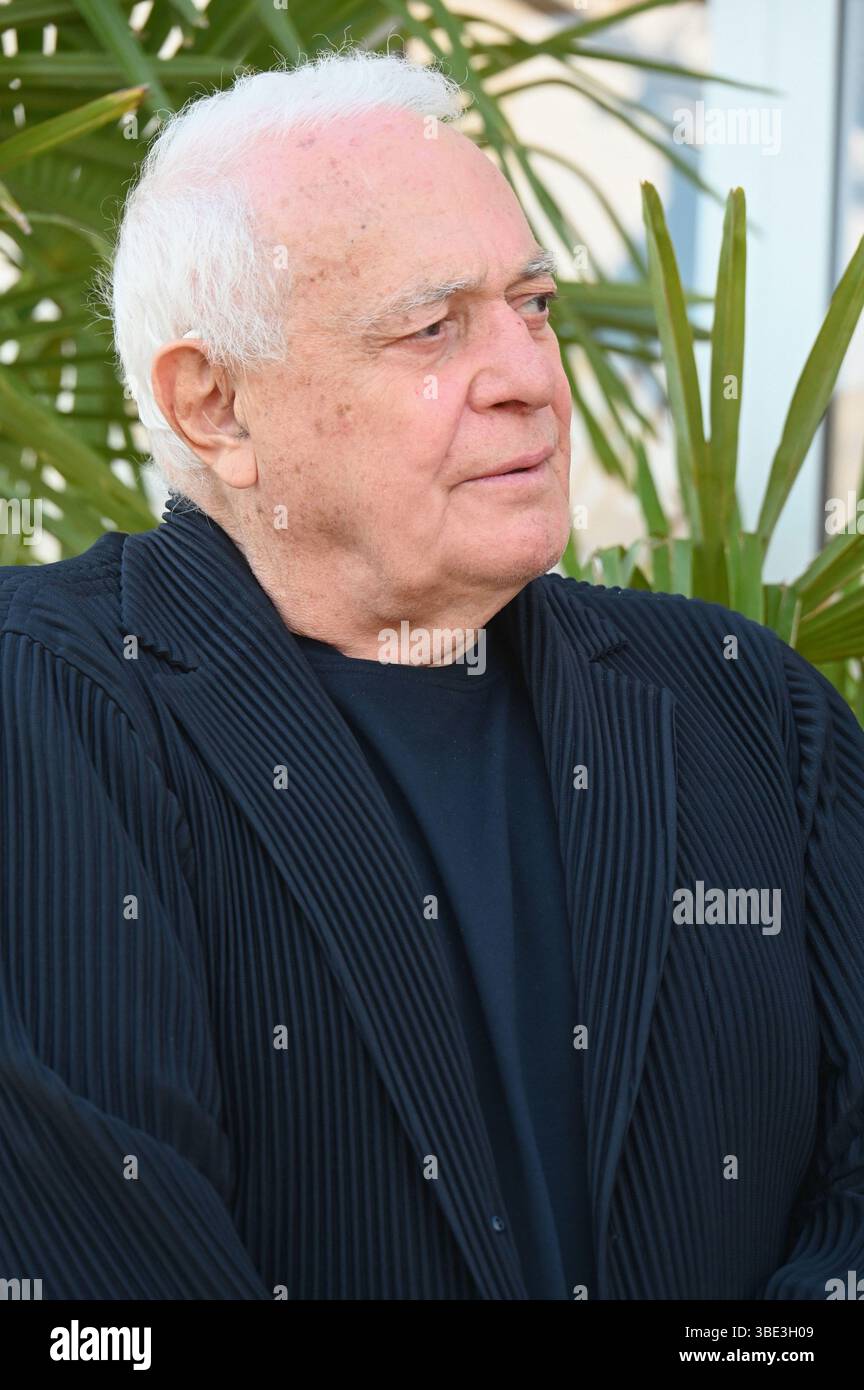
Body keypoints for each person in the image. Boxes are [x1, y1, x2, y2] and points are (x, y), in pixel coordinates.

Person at [1, 46, 862, 1301]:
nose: (529, 378)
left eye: (534, 306)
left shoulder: (744, 700)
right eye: (433, 327)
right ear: (217, 408)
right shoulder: (50, 704)